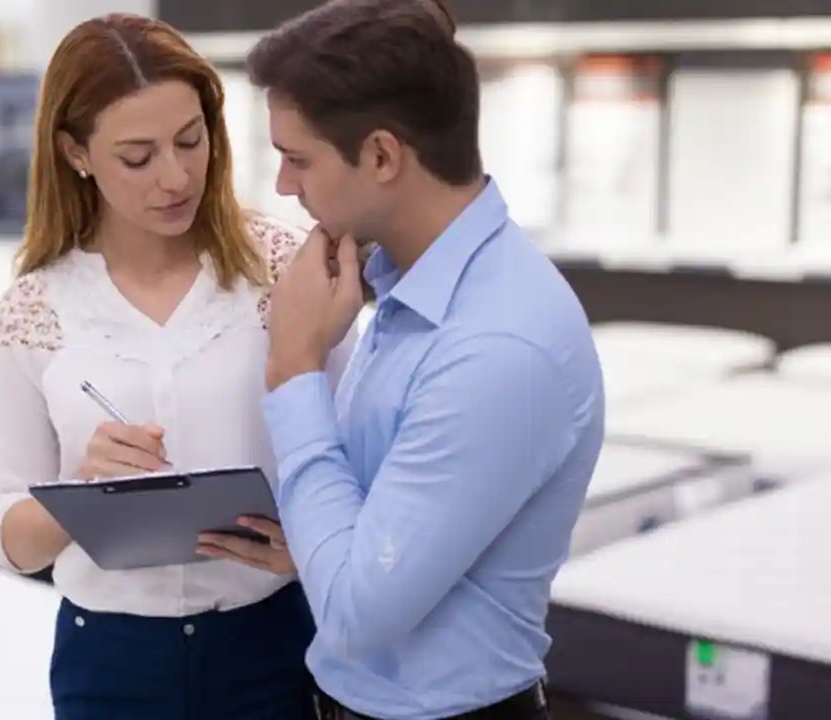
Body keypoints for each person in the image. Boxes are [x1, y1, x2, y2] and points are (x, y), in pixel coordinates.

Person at [0, 13, 355, 720]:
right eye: (138, 157)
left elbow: (364, 456)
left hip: (274, 641)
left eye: (191, 140)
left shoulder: (286, 266)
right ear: (76, 152)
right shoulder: (32, 312)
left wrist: (312, 550)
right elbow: (12, 542)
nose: (176, 177)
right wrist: (80, 490)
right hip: (108, 663)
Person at [245, 1, 606, 719]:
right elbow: (379, 541)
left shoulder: (498, 345)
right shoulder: (407, 290)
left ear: (382, 156)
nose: (285, 185)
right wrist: (317, 545)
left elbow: (354, 613)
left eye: (299, 158)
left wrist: (294, 366)